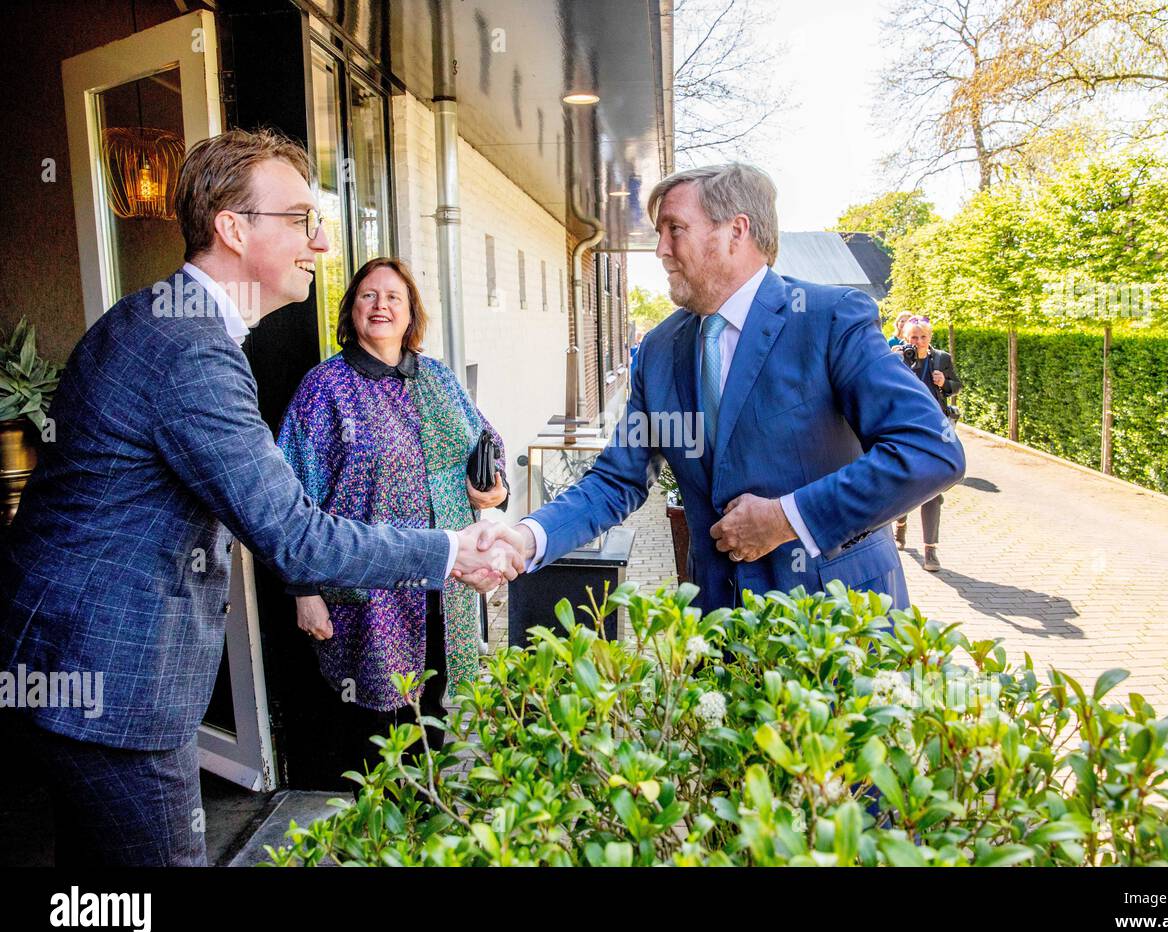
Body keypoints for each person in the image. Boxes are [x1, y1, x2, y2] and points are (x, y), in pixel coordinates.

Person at [0, 129, 520, 867]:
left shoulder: (168, 320)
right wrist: (449, 551)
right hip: (112, 685)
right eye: (302, 220)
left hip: (71, 668)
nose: (320, 244)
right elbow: (294, 533)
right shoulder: (191, 349)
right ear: (234, 229)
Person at [479, 163, 965, 613]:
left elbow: (929, 450)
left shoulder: (829, 319)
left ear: (736, 230)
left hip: (837, 623)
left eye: (675, 229)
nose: (661, 250)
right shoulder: (659, 349)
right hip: (716, 629)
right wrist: (526, 537)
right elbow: (617, 480)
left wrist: (786, 518)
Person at [277, 257, 508, 770]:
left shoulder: (437, 379)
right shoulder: (324, 389)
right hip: (367, 590)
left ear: (410, 315)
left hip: (442, 583)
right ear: (351, 310)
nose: (380, 306)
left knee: (434, 707)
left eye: (393, 298)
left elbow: (484, 442)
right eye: (368, 296)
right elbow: (289, 498)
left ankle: (426, 823)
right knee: (375, 727)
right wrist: (303, 591)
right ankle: (382, 834)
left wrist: (493, 491)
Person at [891, 316, 962, 571]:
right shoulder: (896, 356)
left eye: (922, 337)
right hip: (904, 428)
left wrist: (945, 383)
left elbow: (957, 386)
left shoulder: (941, 358)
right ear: (904, 338)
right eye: (913, 337)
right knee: (905, 482)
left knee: (933, 488)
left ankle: (930, 550)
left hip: (934, 429)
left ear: (930, 337)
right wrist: (891, 360)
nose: (918, 342)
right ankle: (900, 525)